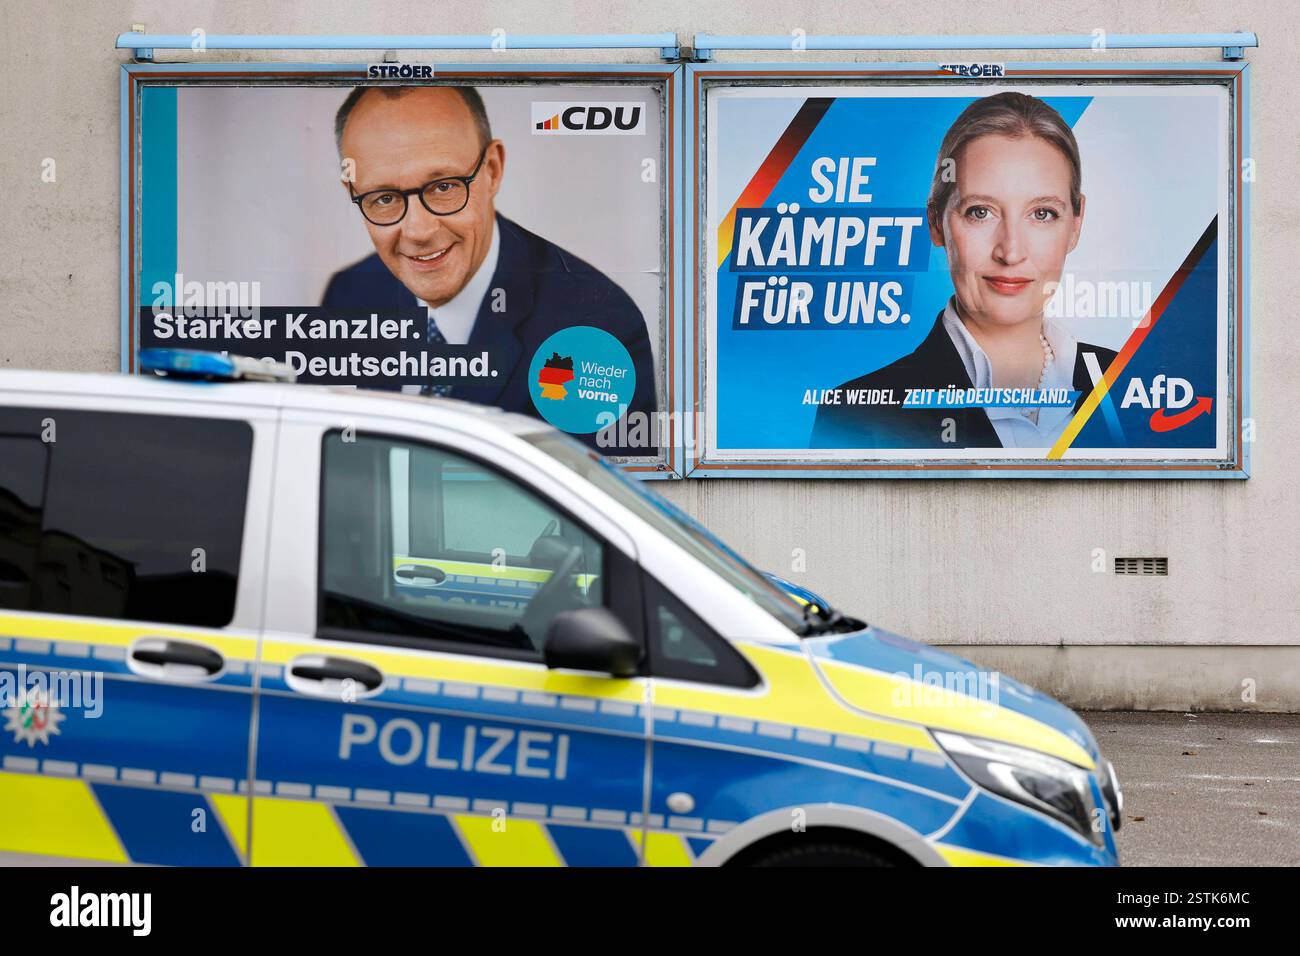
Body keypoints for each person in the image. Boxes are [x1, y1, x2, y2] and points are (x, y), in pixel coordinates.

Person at [323, 85, 655, 446]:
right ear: (352, 191)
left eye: (443, 187)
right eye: (383, 198)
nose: (419, 231)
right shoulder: (348, 294)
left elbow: (589, 495)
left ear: (492, 170)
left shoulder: (597, 323)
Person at [812, 92, 1117, 450]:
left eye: (1042, 213)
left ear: (1075, 224)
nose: (1011, 251)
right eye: (980, 212)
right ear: (936, 223)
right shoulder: (858, 414)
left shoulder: (1129, 383)